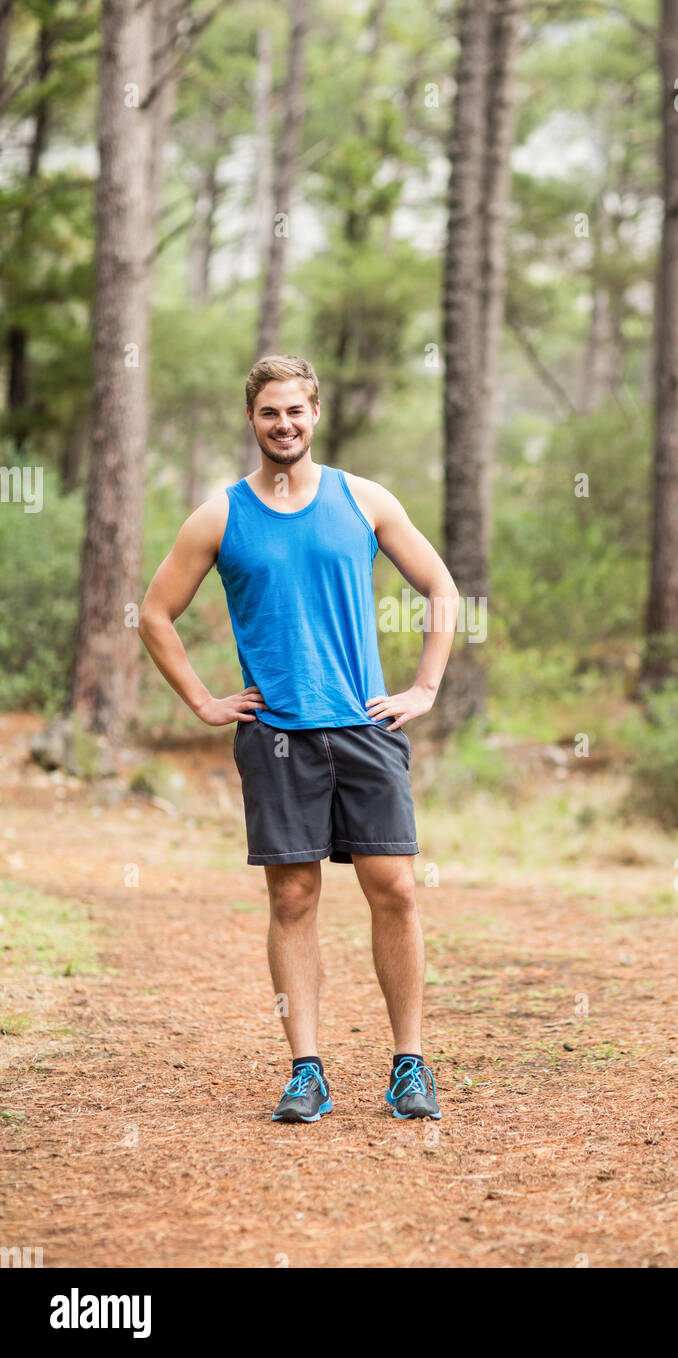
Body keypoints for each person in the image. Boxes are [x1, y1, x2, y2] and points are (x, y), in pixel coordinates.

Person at [138, 355, 459, 1124]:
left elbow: (444, 588)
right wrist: (204, 702)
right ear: (251, 419)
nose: (284, 424)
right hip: (276, 735)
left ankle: (409, 1066)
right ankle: (306, 1070)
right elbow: (154, 614)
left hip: (364, 727)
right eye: (269, 413)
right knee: (292, 898)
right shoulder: (220, 516)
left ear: (316, 415)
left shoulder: (364, 500)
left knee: (398, 890)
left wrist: (424, 689)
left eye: (296, 411)